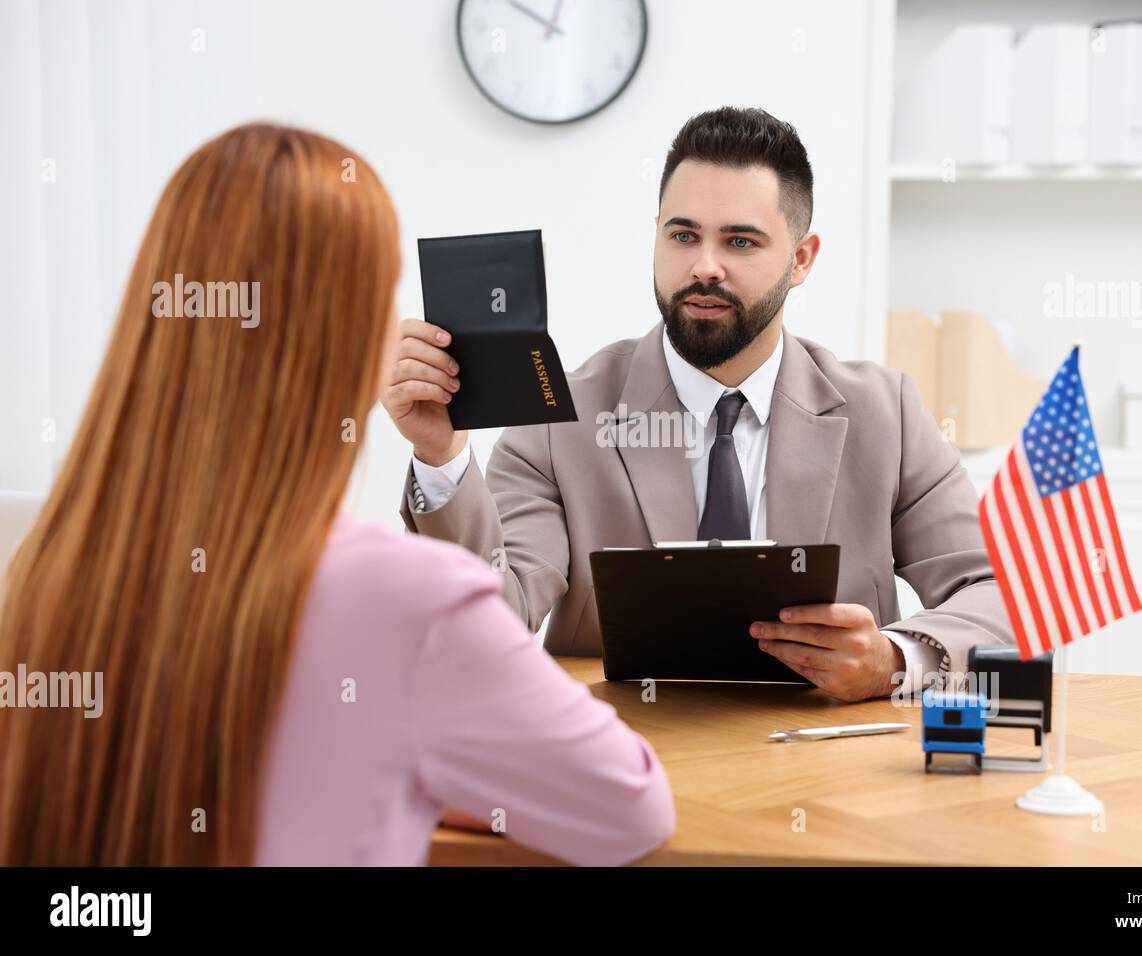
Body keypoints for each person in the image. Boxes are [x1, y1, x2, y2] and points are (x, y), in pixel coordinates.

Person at [0, 123, 674, 866]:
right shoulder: (407, 597)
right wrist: (433, 766)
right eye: (384, 295)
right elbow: (630, 808)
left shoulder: (47, 564)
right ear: (346, 332)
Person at [386, 106, 1015, 703]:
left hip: (825, 763)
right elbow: (492, 620)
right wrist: (440, 454)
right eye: (683, 235)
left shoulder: (888, 414)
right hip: (624, 757)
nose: (704, 266)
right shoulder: (560, 417)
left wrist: (895, 659)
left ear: (801, 259)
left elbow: (997, 595)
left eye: (740, 242)